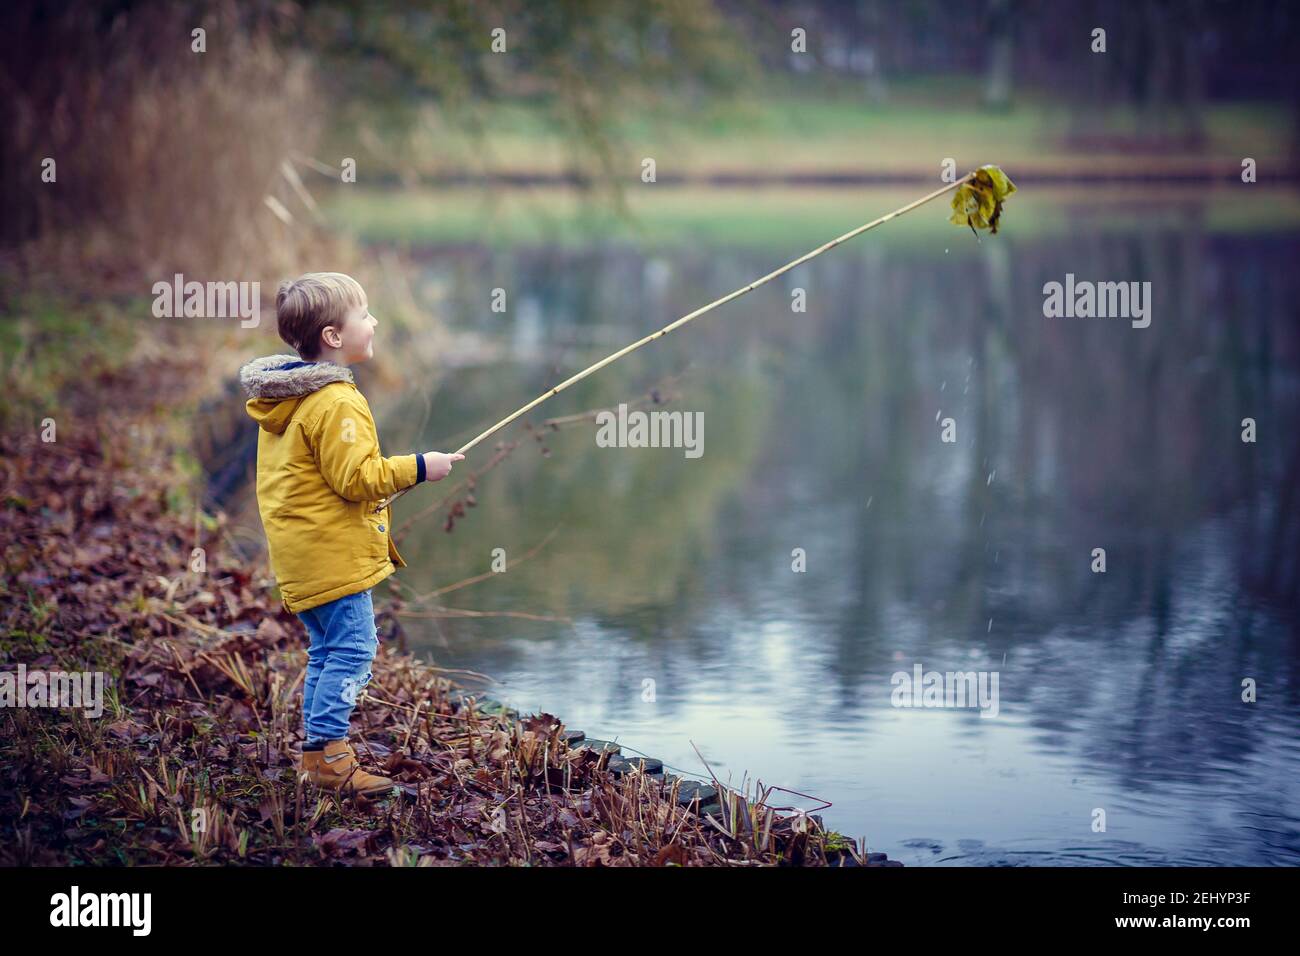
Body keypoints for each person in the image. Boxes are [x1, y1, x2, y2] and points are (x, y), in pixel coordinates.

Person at [239, 272, 462, 797]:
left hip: (305, 553)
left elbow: (322, 481)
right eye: (365, 314)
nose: (376, 321)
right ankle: (332, 755)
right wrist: (420, 467)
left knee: (328, 651)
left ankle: (319, 755)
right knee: (354, 651)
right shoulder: (336, 400)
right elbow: (356, 478)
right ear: (334, 337)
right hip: (331, 558)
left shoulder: (292, 398)